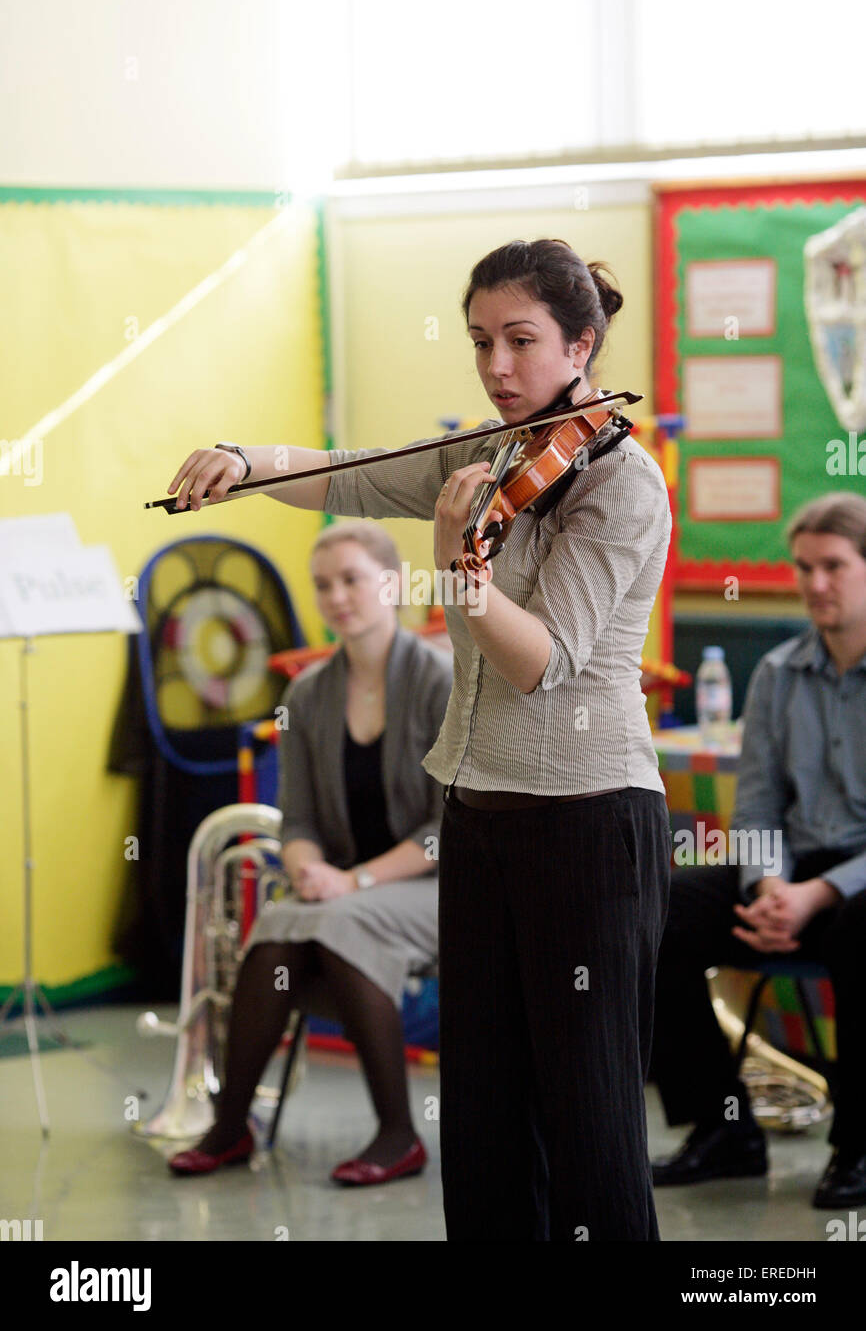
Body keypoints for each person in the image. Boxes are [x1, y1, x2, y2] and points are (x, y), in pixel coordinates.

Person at [167, 238, 673, 1240]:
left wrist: (457, 572)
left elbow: (542, 659)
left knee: (587, 1118)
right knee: (482, 1117)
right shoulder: (488, 459)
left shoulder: (623, 486)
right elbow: (347, 477)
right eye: (481, 340)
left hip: (586, 828)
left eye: (520, 341)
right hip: (477, 820)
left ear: (582, 342)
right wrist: (245, 460)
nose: (494, 366)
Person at [169, 520, 452, 1185]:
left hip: (443, 886)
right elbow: (295, 819)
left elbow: (450, 829)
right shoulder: (306, 694)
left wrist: (349, 882)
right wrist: (304, 866)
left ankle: (397, 1134)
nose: (336, 597)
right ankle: (231, 1126)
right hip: (346, 897)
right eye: (323, 585)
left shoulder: (440, 680)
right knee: (275, 933)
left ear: (391, 583)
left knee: (334, 920)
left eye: (351, 579)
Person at [650, 493, 866, 1210]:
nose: (815, 584)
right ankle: (723, 1129)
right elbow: (757, 807)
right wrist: (771, 883)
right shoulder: (776, 674)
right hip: (793, 867)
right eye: (804, 568)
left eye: (834, 566)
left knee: (863, 936)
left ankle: (858, 1145)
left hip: (855, 884)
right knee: (661, 915)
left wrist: (819, 894)